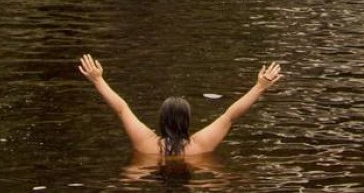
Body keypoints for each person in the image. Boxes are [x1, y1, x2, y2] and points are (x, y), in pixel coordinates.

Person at [77, 54, 282, 158]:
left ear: (161, 119)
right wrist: (259, 86)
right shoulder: (200, 146)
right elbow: (230, 115)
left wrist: (98, 80)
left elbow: (122, 108)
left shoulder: (146, 143)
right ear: (187, 121)